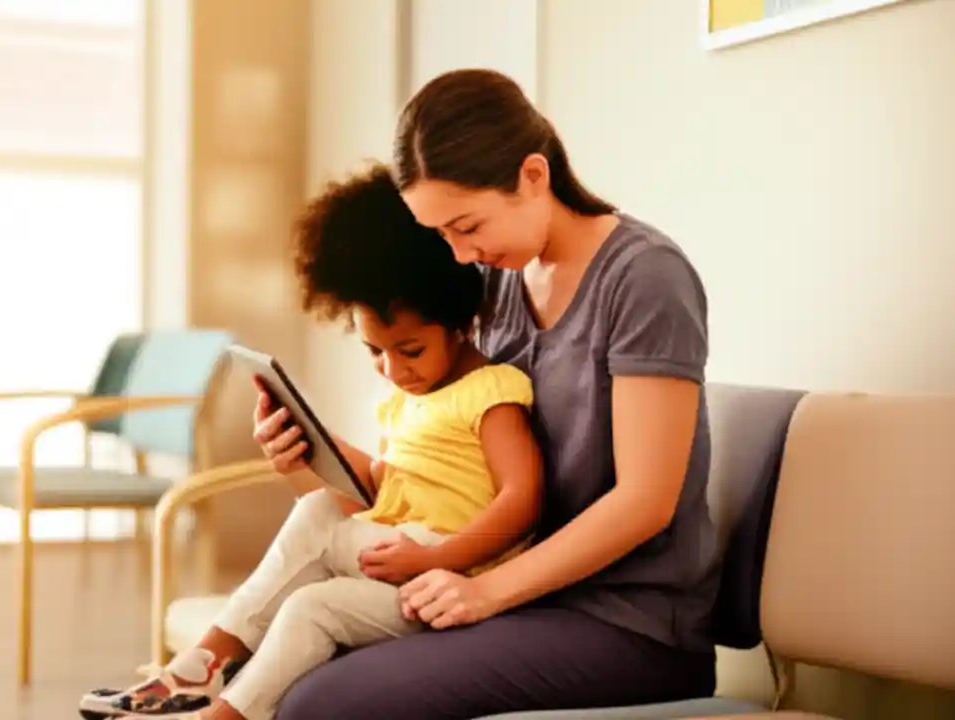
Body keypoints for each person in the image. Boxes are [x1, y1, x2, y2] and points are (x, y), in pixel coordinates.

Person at [269, 69, 719, 719]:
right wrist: (305, 463)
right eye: (443, 235)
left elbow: (645, 503)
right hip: (521, 597)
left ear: (533, 175)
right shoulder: (499, 282)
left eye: (466, 225)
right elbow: (442, 481)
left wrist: (488, 593)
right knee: (296, 661)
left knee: (326, 702)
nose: (458, 254)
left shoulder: (646, 277)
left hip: (630, 623)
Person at [77, 164, 544, 720]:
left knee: (312, 607)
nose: (393, 369)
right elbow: (381, 492)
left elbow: (524, 496)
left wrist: (437, 557)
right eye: (375, 352)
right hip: (402, 551)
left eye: (410, 350)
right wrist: (310, 446)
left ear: (461, 324)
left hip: (452, 579)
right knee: (318, 507)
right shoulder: (408, 400)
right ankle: (201, 664)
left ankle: (219, 715)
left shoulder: (492, 390)